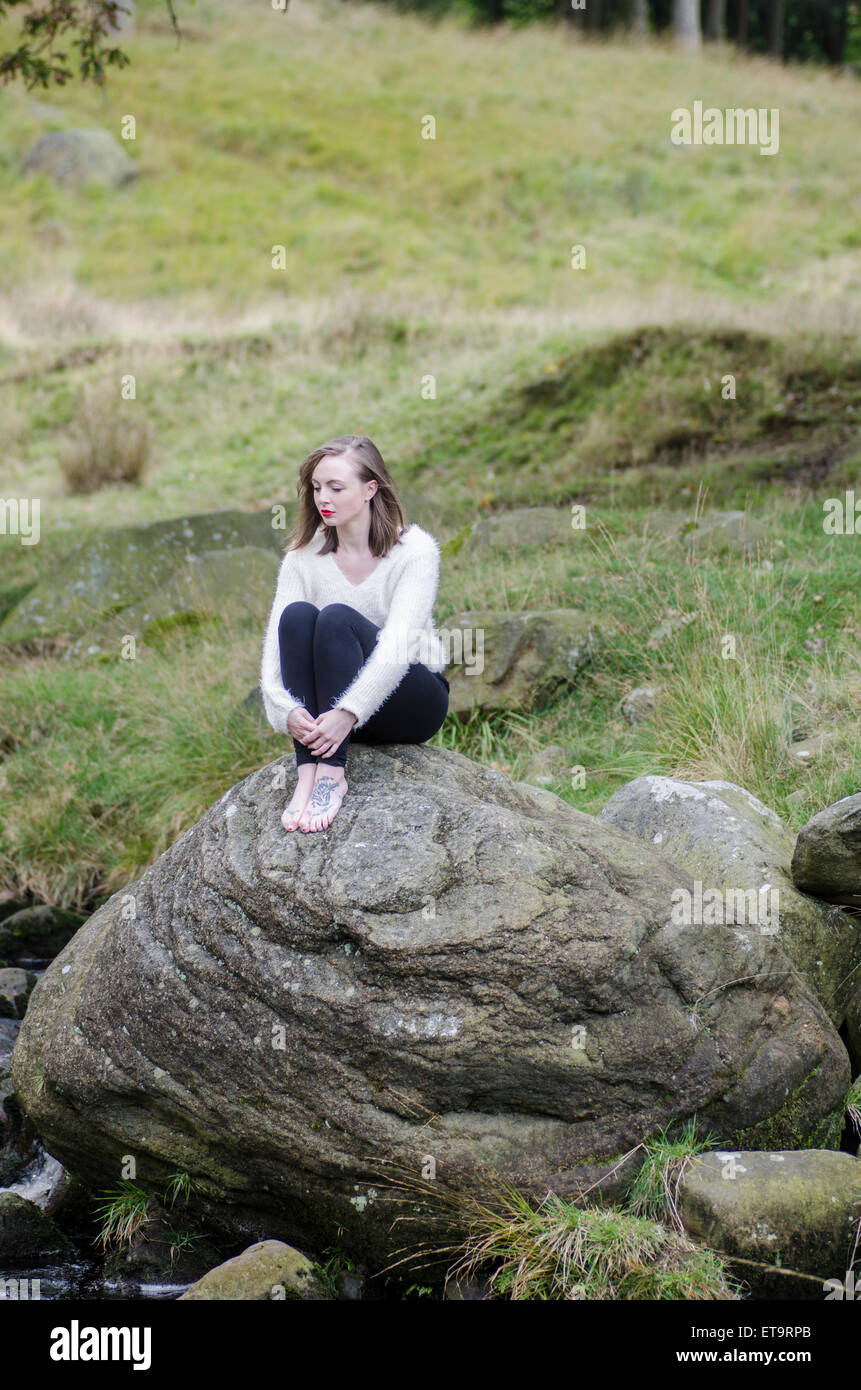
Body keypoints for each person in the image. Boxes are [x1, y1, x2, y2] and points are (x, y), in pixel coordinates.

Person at [259, 435, 450, 834]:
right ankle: (308, 769)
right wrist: (285, 709)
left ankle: (332, 773)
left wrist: (348, 713)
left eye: (336, 487)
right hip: (329, 718)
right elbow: (276, 650)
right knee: (296, 617)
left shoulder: (414, 551)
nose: (322, 498)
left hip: (411, 700)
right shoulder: (302, 556)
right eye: (315, 488)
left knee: (335, 619)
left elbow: (398, 647)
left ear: (369, 489)